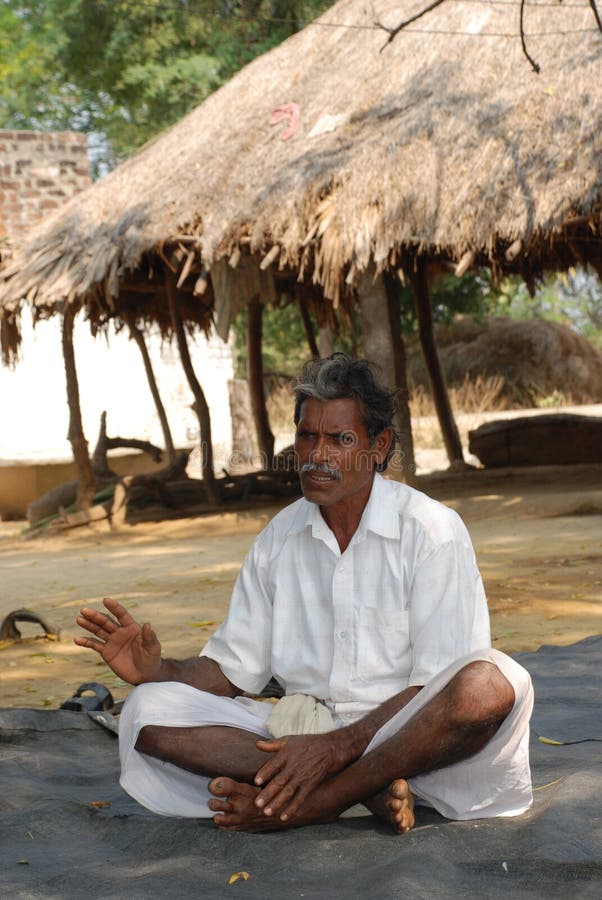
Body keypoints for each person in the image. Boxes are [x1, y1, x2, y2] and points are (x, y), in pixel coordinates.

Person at [75, 353, 533, 834]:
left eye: (340, 439)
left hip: (410, 740)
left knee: (490, 682)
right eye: (307, 436)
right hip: (299, 736)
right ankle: (358, 790)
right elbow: (233, 671)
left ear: (379, 447)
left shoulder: (430, 530)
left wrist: (336, 749)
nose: (317, 454)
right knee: (144, 714)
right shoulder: (279, 538)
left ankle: (316, 802)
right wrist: (157, 671)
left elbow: (438, 687)